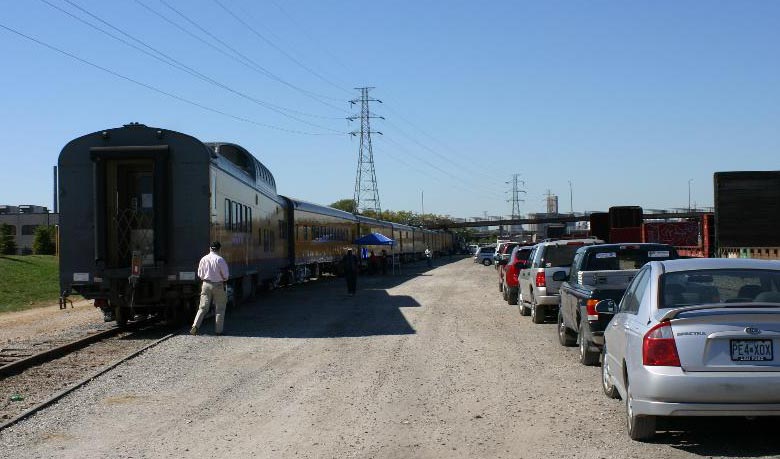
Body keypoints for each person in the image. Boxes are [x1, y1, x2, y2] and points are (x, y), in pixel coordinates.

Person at [190, 241, 229, 336]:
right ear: (219, 249)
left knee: (203, 307)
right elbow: (226, 276)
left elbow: (200, 274)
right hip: (218, 285)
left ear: (210, 248)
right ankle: (218, 331)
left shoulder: (204, 259)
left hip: (206, 284)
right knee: (220, 308)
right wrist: (223, 279)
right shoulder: (220, 260)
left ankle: (195, 326)